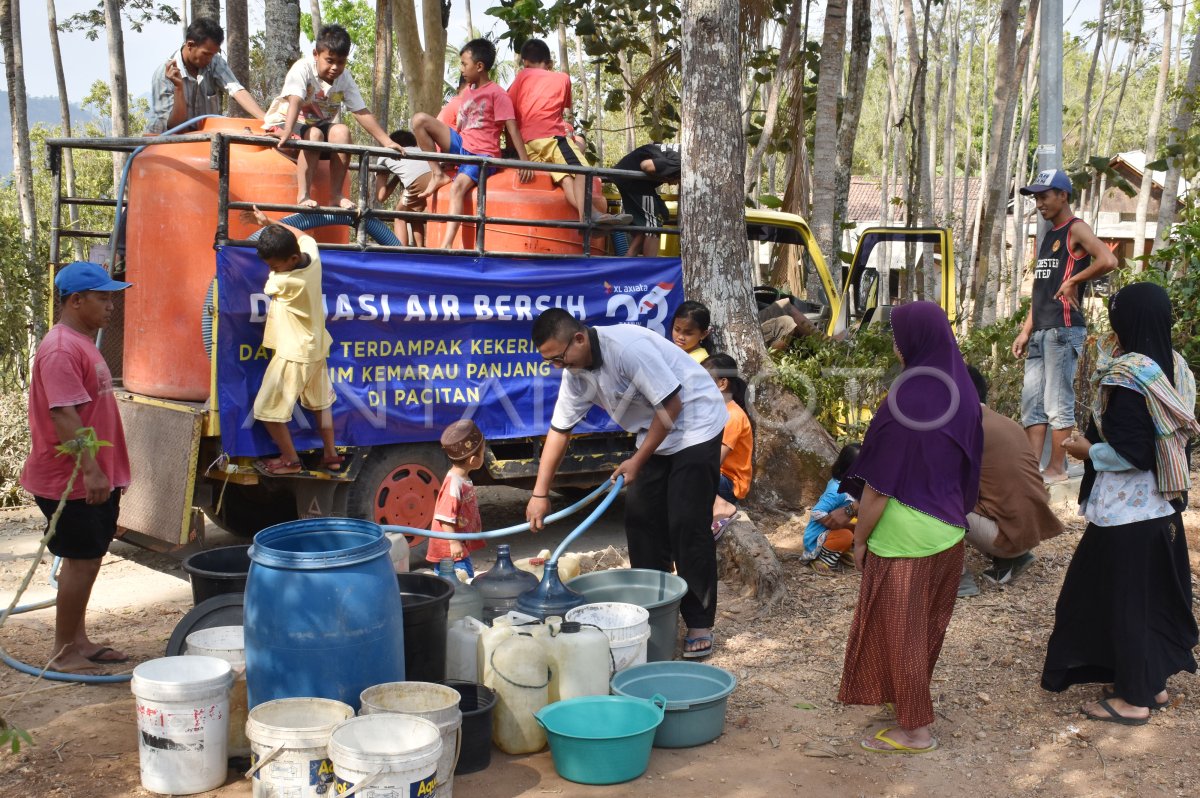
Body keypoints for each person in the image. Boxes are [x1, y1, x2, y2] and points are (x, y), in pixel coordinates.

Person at [525, 309, 728, 659]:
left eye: (559, 357)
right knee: (641, 522)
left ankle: (699, 621)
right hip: (655, 431)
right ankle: (656, 608)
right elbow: (560, 431)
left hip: (696, 423)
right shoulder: (575, 372)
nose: (558, 366)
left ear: (579, 338)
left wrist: (638, 459)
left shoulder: (627, 348)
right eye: (551, 361)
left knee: (686, 523)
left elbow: (672, 405)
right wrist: (539, 494)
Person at [1042, 282, 1199, 726]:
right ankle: (1152, 683)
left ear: (1125, 321)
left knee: (1122, 602)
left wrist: (1085, 451)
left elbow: (1133, 453)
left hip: (1128, 512)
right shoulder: (1176, 369)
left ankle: (1134, 700)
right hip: (1164, 506)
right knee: (1149, 598)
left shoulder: (1129, 377)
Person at [837, 301, 983, 754]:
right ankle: (906, 701)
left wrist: (859, 538)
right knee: (924, 629)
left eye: (899, 337)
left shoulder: (907, 397)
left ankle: (916, 730)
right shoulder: (961, 390)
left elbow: (878, 487)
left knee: (899, 632)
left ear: (916, 339)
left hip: (906, 537)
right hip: (950, 532)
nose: (897, 347)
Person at [20, 262, 133, 673]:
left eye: (111, 297)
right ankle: (64, 650)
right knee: (81, 560)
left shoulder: (81, 341)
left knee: (87, 558)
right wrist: (91, 470)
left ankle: (77, 640)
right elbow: (63, 415)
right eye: (103, 298)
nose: (111, 306)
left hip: (89, 475)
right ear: (76, 300)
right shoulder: (61, 348)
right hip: (69, 478)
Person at [1011, 168, 1118, 483]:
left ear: (1063, 195)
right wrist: (1026, 329)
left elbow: (1108, 260)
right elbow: (1041, 289)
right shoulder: (1049, 236)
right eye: (1036, 198)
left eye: (1044, 197)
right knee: (1033, 404)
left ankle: (1057, 468)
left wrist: (1074, 280)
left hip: (1063, 328)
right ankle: (1033, 472)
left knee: (1057, 401)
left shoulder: (1076, 228)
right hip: (1041, 329)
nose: (1040, 204)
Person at [241, 207, 340, 475]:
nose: (271, 269)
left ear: (292, 258)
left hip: (293, 352)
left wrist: (268, 225)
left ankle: (290, 460)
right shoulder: (313, 257)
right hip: (316, 347)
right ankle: (331, 454)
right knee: (321, 403)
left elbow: (269, 286)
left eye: (273, 265)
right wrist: (269, 222)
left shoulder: (284, 282)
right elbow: (301, 236)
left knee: (266, 410)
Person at [411, 39, 534, 250]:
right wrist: (447, 161)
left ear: (479, 66)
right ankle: (437, 174)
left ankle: (447, 244)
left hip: (482, 154)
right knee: (419, 120)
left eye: (464, 64)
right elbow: (461, 127)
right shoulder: (468, 91)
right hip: (462, 144)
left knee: (457, 188)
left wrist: (525, 163)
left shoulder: (498, 94)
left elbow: (512, 129)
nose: (461, 69)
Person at [262, 24, 402, 209]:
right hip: (285, 122)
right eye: (329, 60)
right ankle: (303, 195)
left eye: (341, 62)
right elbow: (295, 99)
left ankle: (336, 194)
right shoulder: (302, 68)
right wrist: (287, 130)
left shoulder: (344, 78)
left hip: (316, 127)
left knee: (342, 131)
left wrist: (386, 142)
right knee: (314, 135)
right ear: (316, 54)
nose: (335, 67)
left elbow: (360, 111)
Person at [957, 365, 1065, 598]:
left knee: (934, 500)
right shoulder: (1002, 421)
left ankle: (956, 578)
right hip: (1029, 530)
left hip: (1008, 535)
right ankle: (1014, 557)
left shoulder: (966, 428)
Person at [506, 38, 629, 228]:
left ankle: (590, 219)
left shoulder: (520, 78)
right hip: (551, 138)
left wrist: (515, 151)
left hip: (527, 146)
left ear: (524, 61)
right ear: (549, 63)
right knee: (582, 170)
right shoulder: (561, 78)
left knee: (565, 180)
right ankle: (588, 217)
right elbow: (563, 109)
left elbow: (509, 113)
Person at [147, 17, 266, 134]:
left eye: (213, 54)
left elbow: (236, 89)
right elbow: (174, 126)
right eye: (206, 54)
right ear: (190, 45)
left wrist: (265, 119)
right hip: (165, 141)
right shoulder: (164, 75)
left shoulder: (215, 61)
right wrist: (179, 88)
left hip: (203, 139)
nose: (210, 59)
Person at [427, 419, 488, 578]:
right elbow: (446, 517)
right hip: (450, 550)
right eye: (483, 452)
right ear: (473, 460)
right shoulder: (453, 484)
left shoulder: (462, 478)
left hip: (458, 544)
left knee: (461, 580)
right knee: (460, 583)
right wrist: (453, 543)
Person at [703, 353, 753, 539]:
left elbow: (714, 461)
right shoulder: (718, 411)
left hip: (729, 483)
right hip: (719, 476)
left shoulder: (732, 416)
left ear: (722, 384)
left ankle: (722, 506)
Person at [610, 143, 681, 256]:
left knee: (662, 214)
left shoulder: (679, 153)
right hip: (632, 178)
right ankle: (649, 266)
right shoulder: (680, 161)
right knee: (653, 224)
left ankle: (629, 256)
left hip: (632, 178)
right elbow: (646, 165)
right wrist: (668, 177)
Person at [801, 443, 861, 573]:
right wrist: (831, 522)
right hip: (819, 535)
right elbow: (817, 512)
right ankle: (822, 558)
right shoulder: (837, 491)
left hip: (837, 527)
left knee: (860, 525)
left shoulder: (851, 485)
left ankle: (840, 550)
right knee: (846, 536)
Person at [375, 129, 433, 247]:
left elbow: (381, 196)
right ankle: (420, 250)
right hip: (436, 180)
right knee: (414, 213)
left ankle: (400, 251)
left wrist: (396, 178)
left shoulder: (386, 153)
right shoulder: (421, 150)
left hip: (417, 181)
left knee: (399, 214)